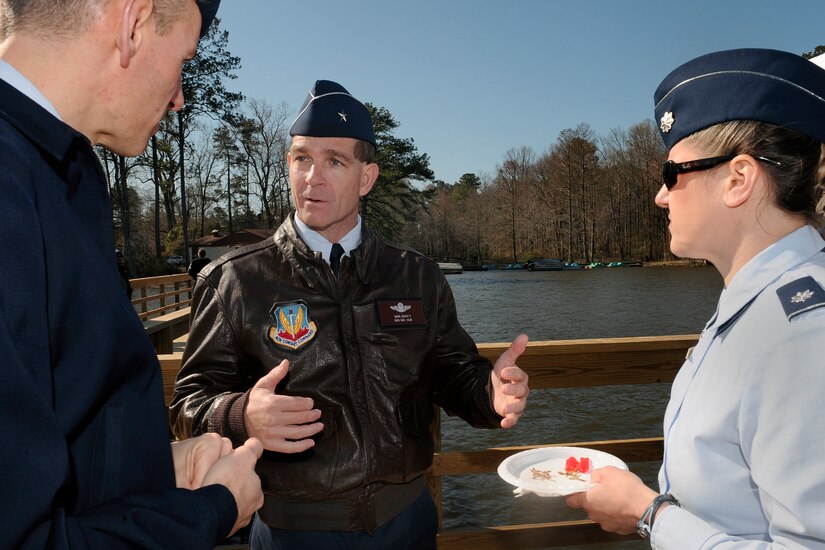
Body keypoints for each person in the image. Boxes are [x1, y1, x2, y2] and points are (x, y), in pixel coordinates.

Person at [170, 79, 531, 550]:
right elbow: (188, 405)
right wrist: (240, 415)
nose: (311, 177)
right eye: (302, 158)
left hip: (407, 521)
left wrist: (489, 392)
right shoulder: (235, 281)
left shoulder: (416, 276)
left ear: (366, 178)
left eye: (334, 161)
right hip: (291, 531)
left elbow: (451, 373)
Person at [0, 1, 266, 548]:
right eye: (184, 59)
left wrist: (150, 467)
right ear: (133, 22)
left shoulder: (56, 174)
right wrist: (212, 510)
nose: (179, 97)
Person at [566, 48, 825, 548]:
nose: (662, 195)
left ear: (738, 179)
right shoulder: (755, 304)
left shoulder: (803, 334)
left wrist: (649, 515)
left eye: (672, 174)